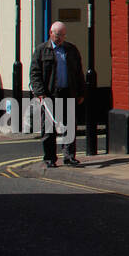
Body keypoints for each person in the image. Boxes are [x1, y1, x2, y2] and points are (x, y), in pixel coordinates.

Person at [29, 22, 85, 167]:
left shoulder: (71, 50)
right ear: (51, 33)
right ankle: (49, 158)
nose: (60, 38)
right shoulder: (41, 50)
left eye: (63, 35)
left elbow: (79, 73)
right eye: (57, 35)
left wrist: (80, 92)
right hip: (49, 95)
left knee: (69, 126)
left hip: (68, 92)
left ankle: (69, 157)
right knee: (48, 128)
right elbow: (35, 74)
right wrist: (40, 93)